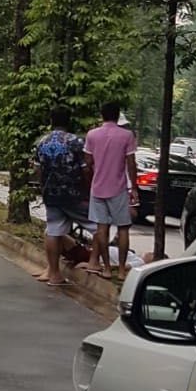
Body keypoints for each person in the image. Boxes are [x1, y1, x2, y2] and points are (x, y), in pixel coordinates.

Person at [33, 105, 96, 286]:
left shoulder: (41, 142)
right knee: (99, 225)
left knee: (53, 230)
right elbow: (86, 169)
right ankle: (96, 262)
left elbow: (37, 170)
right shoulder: (76, 142)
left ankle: (53, 273)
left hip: (50, 194)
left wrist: (43, 188)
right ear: (69, 120)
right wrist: (88, 190)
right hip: (74, 194)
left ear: (51, 120)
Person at [85, 102, 139, 280]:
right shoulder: (126, 136)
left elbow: (88, 162)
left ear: (102, 115)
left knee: (102, 229)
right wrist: (134, 188)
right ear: (118, 115)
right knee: (123, 228)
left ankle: (107, 268)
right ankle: (122, 270)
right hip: (119, 189)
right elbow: (131, 163)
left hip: (98, 188)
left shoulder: (92, 135)